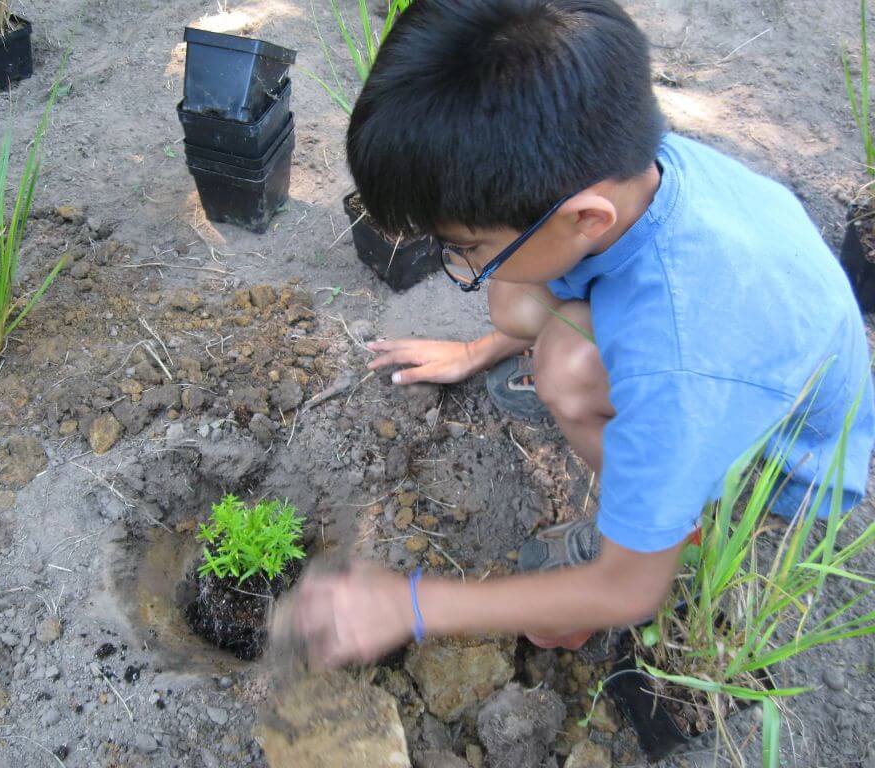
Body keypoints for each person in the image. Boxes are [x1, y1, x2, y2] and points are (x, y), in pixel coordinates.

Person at [291, 0, 875, 666]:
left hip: (777, 470)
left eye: (466, 248)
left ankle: (683, 527)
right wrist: (477, 351)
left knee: (565, 372)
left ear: (585, 220)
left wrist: (411, 605)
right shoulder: (620, 164)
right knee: (524, 315)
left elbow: (628, 591)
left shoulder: (677, 364)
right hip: (738, 349)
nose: (466, 269)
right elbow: (540, 286)